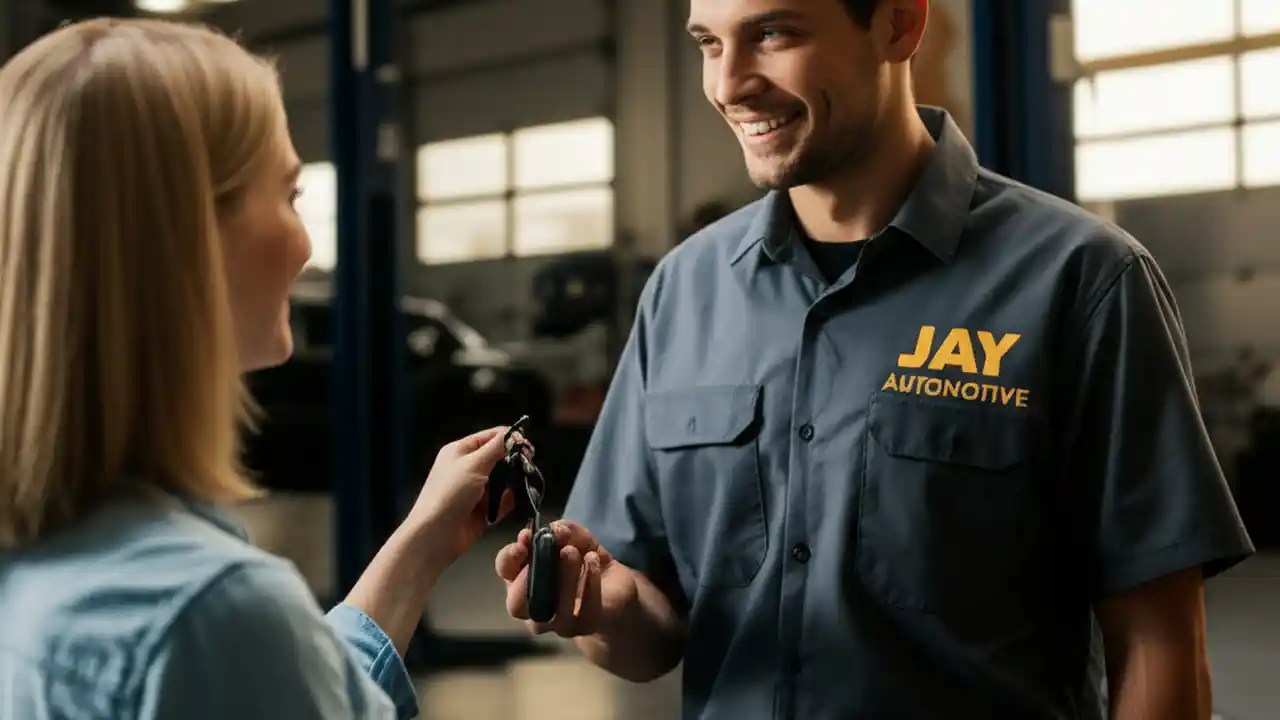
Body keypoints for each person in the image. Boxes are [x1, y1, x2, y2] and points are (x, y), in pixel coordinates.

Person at [495, 1, 1255, 718]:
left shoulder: (1081, 281)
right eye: (709, 43)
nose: (728, 85)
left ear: (899, 23)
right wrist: (600, 604)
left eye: (774, 34)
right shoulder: (684, 292)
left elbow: (1161, 645)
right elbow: (644, 636)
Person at [0, 18, 517, 720]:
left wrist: (419, 546)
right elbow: (242, 651)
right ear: (186, 238)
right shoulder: (207, 615)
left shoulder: (67, 565)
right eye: (289, 196)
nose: (305, 247)